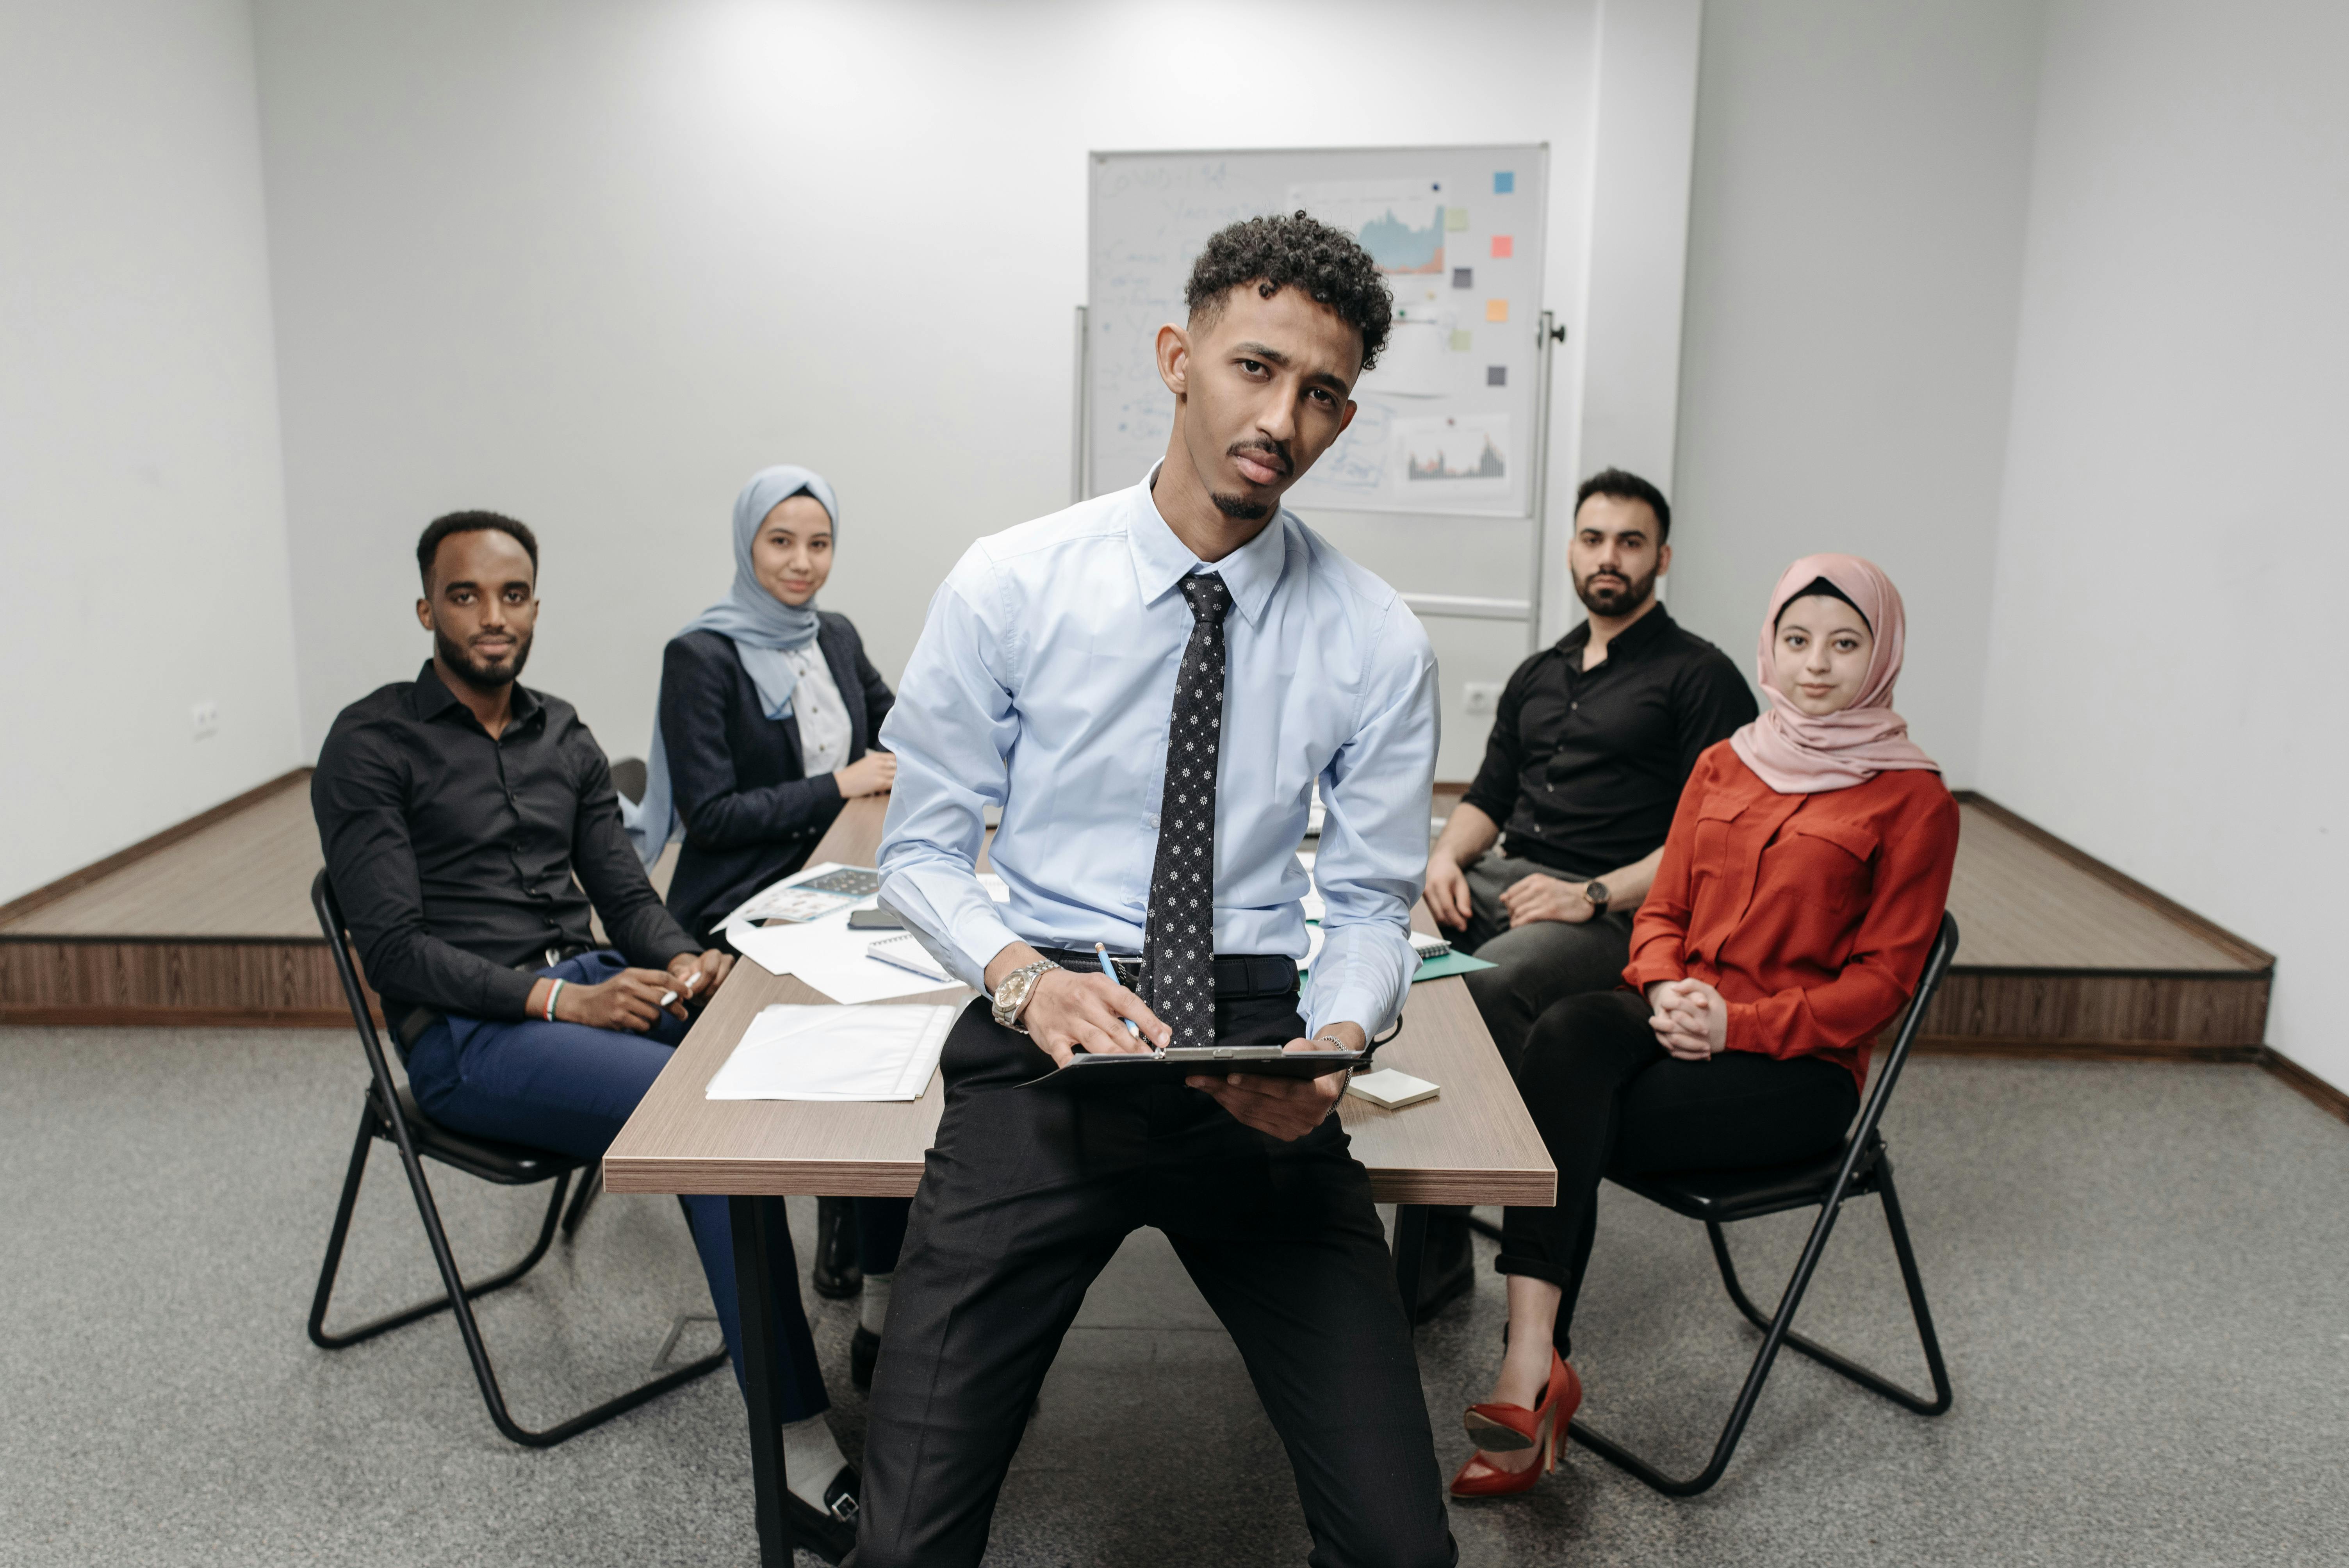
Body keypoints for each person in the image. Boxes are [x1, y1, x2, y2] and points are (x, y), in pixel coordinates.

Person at [859, 212, 1455, 1566]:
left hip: (1253, 1041)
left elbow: (1365, 904)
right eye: (1253, 368)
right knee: (903, 1547)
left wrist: (1336, 1044)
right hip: (1042, 1033)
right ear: (1176, 358)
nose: (1280, 418)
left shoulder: (1371, 636)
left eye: (1319, 394)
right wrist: (1018, 975)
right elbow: (921, 849)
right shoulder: (1012, 582)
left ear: (1341, 415)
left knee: (1402, 1550)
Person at [312, 512, 865, 1561]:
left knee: (785, 1026)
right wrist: (561, 1003)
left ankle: (874, 1292)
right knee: (709, 1128)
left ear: (534, 605)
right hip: (474, 1040)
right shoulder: (372, 743)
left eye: (513, 595)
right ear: (427, 610)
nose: (492, 617)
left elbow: (626, 897)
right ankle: (794, 1443)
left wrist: (686, 955)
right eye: (466, 596)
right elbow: (393, 952)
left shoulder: (560, 731)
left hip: (591, 987)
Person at [1448, 553, 1958, 1499]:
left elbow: (1884, 983)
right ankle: (1531, 1360)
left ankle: (1534, 1378)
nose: (1815, 666)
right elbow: (1660, 912)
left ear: (1880, 654)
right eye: (1795, 640)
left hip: (1797, 1070)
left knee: (1567, 1116)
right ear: (1770, 645)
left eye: (1844, 645)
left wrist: (1739, 1023)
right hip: (1678, 1014)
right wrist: (1665, 984)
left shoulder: (1911, 799)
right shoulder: (1727, 762)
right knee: (1562, 1038)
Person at [1413, 469, 1753, 1319]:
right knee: (1379, 944)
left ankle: (1433, 1257)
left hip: (1620, 906)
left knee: (1485, 980)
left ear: (1660, 558)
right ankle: (1407, 1208)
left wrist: (1591, 895)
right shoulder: (1540, 670)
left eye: (1630, 542)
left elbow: (1708, 836)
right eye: (1594, 538)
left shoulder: (1696, 676)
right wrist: (1444, 861)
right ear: (1571, 548)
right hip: (1510, 876)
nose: (1609, 557)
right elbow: (1487, 796)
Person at [625, 465, 910, 1376]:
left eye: (818, 543)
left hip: (833, 882)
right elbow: (709, 815)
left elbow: (896, 725)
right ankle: (859, 1226)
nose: (801, 562)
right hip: (737, 903)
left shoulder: (836, 634)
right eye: (780, 542)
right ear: (748, 545)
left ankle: (880, 1281)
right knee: (869, 1014)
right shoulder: (700, 656)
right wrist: (839, 785)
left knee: (914, 1010)